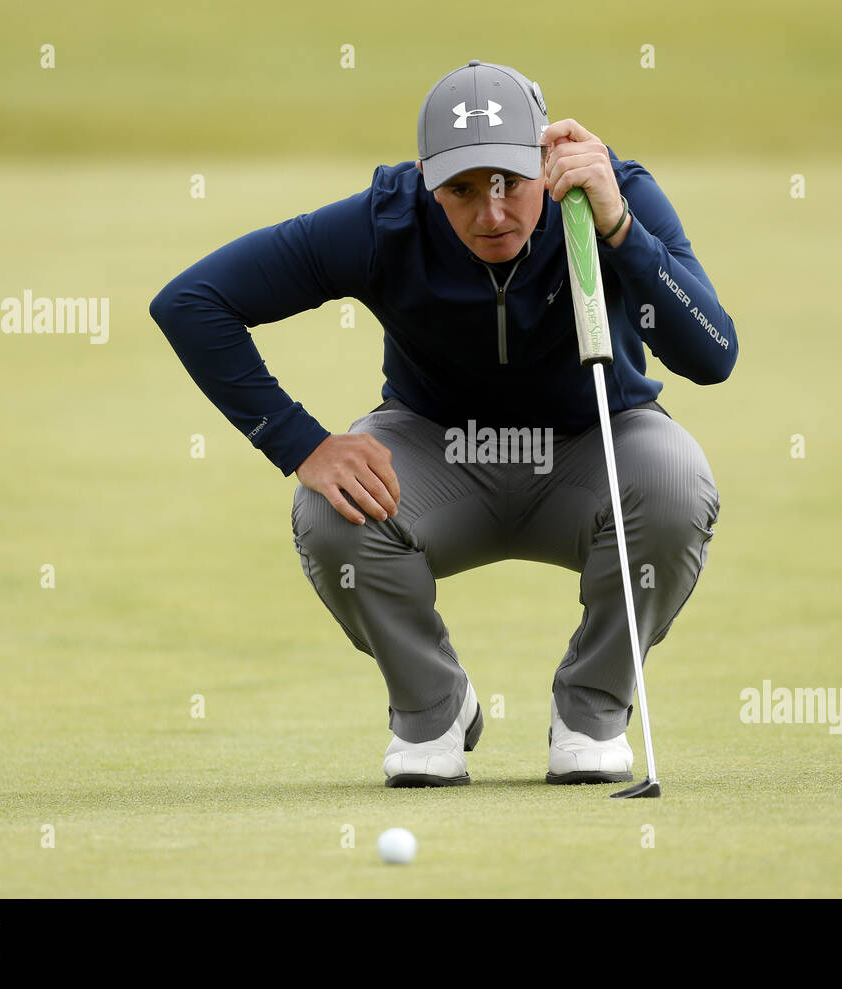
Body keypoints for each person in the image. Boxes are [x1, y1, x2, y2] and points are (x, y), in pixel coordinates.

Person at [149, 60, 738, 788]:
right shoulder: (387, 220)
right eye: (461, 189)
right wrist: (300, 442)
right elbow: (193, 302)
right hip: (437, 450)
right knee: (332, 509)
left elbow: (713, 355)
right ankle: (433, 708)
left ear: (545, 160)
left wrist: (621, 229)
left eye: (510, 185)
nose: (491, 214)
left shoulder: (611, 196)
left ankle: (592, 708)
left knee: (678, 482)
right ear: (427, 176)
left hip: (598, 445)